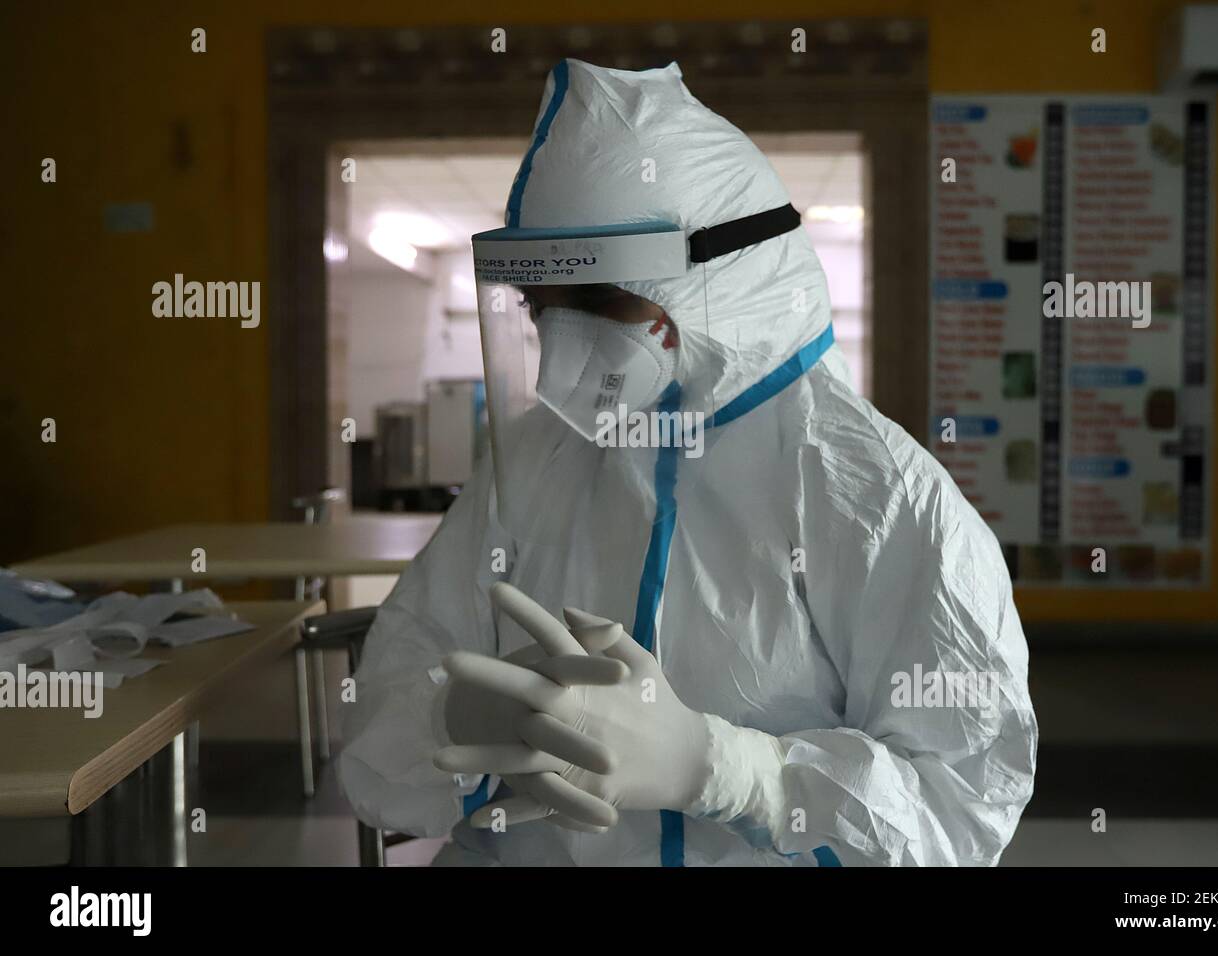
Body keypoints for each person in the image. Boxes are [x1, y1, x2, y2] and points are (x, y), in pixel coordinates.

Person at [339, 58, 1036, 866]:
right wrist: (456, 719)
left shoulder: (880, 497)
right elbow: (384, 718)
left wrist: (729, 771)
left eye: (598, 302)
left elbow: (959, 811)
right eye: (539, 310)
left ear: (720, 277)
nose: (562, 351)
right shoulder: (530, 463)